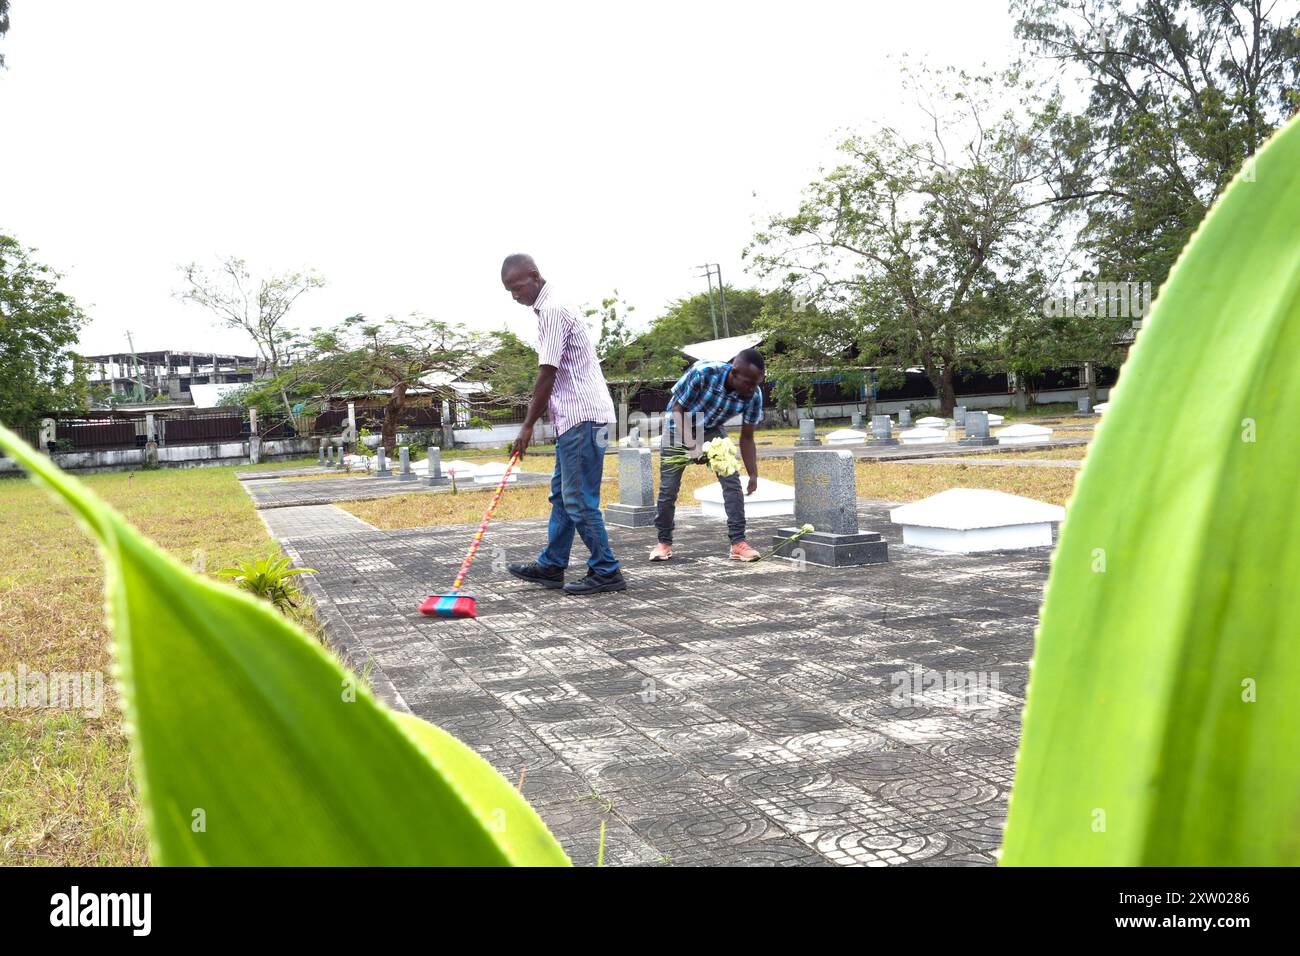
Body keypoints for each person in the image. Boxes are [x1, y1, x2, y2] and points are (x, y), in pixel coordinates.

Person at [500, 253, 626, 595]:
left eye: (516, 286)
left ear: (534, 276)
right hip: (578, 418)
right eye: (508, 291)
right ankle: (553, 564)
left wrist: (527, 427)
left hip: (583, 417)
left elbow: (547, 373)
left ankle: (607, 570)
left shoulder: (553, 309)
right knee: (562, 495)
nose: (514, 295)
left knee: (578, 499)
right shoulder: (548, 309)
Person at [651, 348, 766, 562]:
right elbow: (678, 409)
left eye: (757, 383)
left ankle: (738, 542)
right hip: (679, 427)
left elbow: (747, 437)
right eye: (749, 383)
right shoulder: (704, 373)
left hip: (711, 429)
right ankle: (663, 542)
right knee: (669, 489)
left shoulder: (754, 395)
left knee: (732, 483)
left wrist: (753, 474)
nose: (752, 389)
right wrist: (693, 446)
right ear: (733, 373)